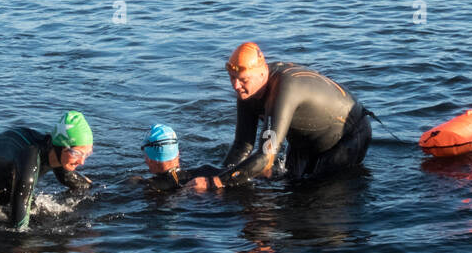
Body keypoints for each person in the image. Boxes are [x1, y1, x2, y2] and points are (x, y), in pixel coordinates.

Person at [188, 42, 371, 190]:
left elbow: (266, 157)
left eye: (243, 79)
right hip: (304, 142)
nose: (235, 86)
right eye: (232, 78)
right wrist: (224, 175)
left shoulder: (284, 88)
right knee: (290, 185)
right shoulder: (247, 92)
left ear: (262, 73)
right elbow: (242, 145)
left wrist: (216, 183)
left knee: (312, 195)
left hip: (348, 136)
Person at [0, 111, 94, 230]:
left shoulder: (53, 149)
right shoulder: (29, 158)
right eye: (77, 153)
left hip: (0, 183)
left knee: (36, 211)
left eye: (87, 154)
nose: (82, 161)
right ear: (61, 146)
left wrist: (94, 188)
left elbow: (67, 178)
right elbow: (18, 227)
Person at [131, 123, 223, 192]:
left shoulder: (146, 186)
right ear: (178, 153)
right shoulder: (206, 172)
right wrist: (211, 182)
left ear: (150, 160)